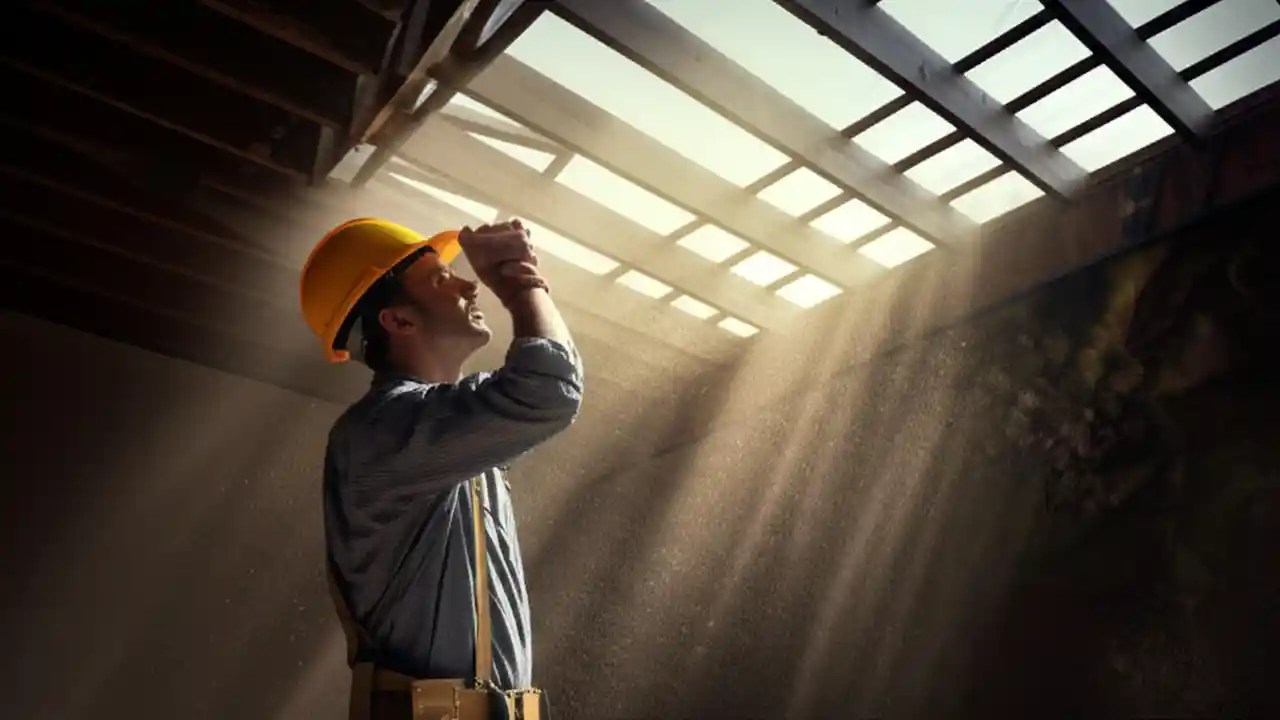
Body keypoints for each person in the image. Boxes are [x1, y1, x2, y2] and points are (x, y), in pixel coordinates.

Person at [299, 217, 583, 719]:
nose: (469, 283)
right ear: (398, 321)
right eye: (439, 279)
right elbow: (548, 389)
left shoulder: (443, 442)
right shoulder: (381, 433)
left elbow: (536, 397)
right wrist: (519, 281)